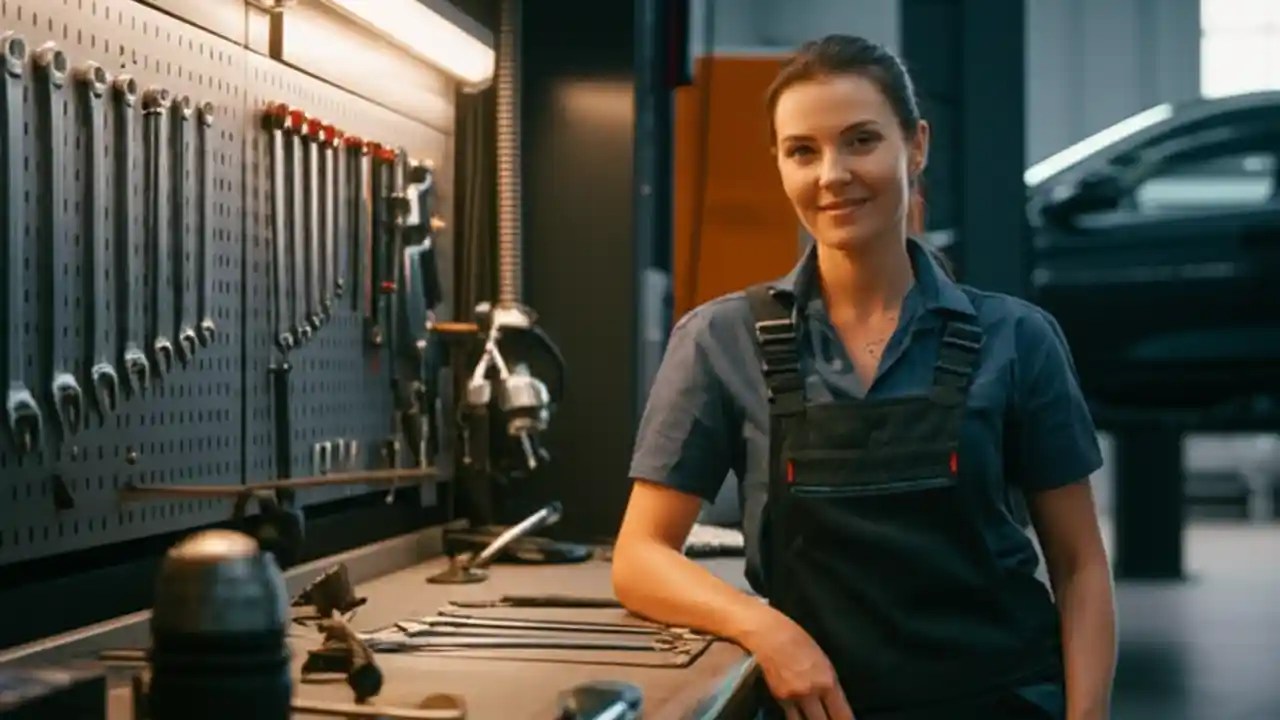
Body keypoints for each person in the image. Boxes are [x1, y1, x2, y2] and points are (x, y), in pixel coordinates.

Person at [611, 34, 1117, 720]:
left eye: (861, 141)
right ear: (779, 164)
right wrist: (767, 630)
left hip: (1000, 702)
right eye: (802, 151)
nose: (833, 174)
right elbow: (640, 557)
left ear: (916, 145)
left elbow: (1080, 566)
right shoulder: (720, 340)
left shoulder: (1018, 339)